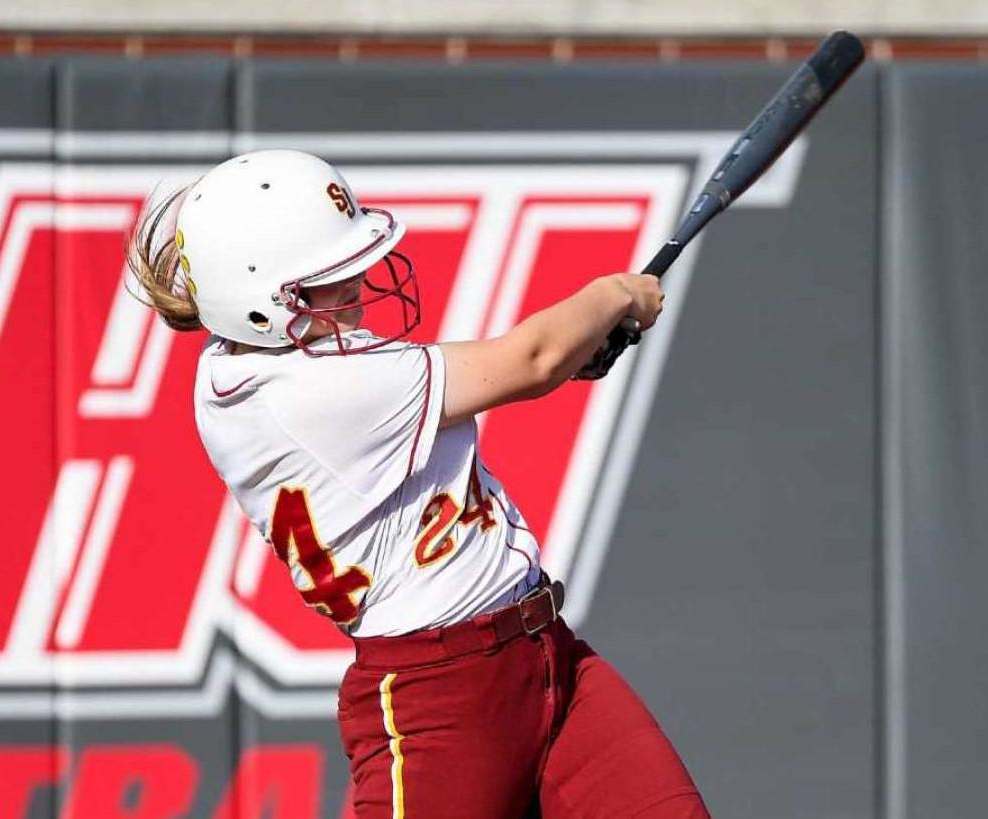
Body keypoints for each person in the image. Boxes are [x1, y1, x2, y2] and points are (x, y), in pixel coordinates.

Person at [131, 149, 711, 819]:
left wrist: (581, 346)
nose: (354, 287)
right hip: (439, 695)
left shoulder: (239, 369)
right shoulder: (312, 391)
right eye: (324, 280)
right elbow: (531, 358)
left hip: (550, 655)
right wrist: (620, 294)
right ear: (254, 304)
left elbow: (504, 375)